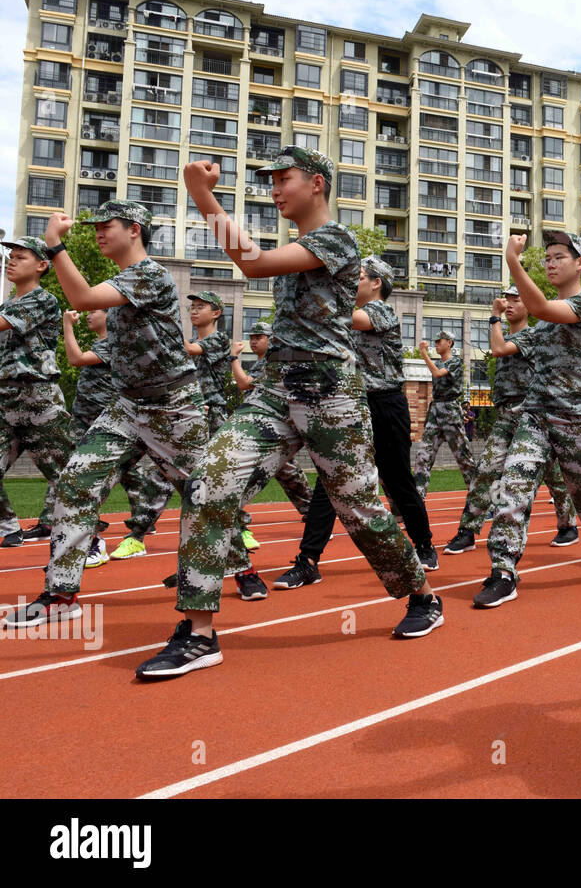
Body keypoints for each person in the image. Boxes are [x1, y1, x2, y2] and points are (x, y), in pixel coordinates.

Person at [132, 148, 442, 676]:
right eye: (269, 181)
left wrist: (201, 195)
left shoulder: (337, 239)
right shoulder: (299, 245)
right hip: (276, 388)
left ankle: (421, 595)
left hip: (330, 392)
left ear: (317, 183)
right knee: (207, 481)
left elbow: (251, 262)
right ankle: (199, 632)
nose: (274, 190)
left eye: (284, 179)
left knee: (361, 510)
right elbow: (261, 266)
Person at [3, 203, 216, 631]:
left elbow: (80, 297)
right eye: (95, 227)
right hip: (126, 405)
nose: (99, 234)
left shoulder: (151, 275)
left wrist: (54, 244)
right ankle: (61, 594)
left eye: (106, 227)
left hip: (173, 403)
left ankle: (238, 568)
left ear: (134, 230)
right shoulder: (119, 287)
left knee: (204, 495)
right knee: (75, 483)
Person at [474, 232, 581, 608]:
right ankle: (503, 570)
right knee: (513, 486)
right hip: (536, 417)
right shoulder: (539, 323)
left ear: (580, 263)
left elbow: (541, 307)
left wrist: (513, 262)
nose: (550, 263)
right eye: (546, 258)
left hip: (577, 419)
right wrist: (497, 315)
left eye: (559, 256)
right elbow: (502, 348)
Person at [274, 256, 439, 589]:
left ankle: (424, 545)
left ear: (376, 283)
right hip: (348, 404)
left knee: (397, 480)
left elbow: (344, 319)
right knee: (328, 482)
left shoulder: (380, 311)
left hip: (385, 404)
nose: (352, 282)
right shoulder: (347, 318)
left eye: (359, 277)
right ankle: (308, 561)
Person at [442, 285, 580, 556]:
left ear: (529, 307)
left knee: (554, 476)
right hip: (506, 415)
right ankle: (468, 530)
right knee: (485, 470)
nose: (509, 304)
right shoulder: (504, 335)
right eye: (507, 300)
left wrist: (494, 317)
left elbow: (498, 350)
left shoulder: (531, 336)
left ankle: (568, 526)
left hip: (531, 417)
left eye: (517, 300)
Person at [61, 307, 171, 563]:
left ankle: (96, 540)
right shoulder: (103, 342)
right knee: (94, 477)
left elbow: (75, 358)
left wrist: (67, 325)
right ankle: (132, 528)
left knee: (95, 479)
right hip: (88, 421)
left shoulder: (113, 342)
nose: (88, 315)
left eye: (95, 310)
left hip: (109, 424)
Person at [0, 237, 75, 549]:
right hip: (5, 399)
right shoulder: (6, 306)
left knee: (66, 475)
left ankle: (84, 537)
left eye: (20, 257)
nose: (11, 261)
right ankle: (7, 528)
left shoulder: (43, 300)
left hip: (38, 399)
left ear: (42, 265)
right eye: (9, 256)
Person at [183, 290, 264, 575]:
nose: (194, 311)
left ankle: (240, 528)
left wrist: (161, 328)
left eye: (200, 307)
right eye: (191, 307)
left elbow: (190, 351)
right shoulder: (192, 341)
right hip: (194, 411)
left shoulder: (218, 340)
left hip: (214, 411)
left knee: (223, 472)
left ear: (216, 313)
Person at [230, 320, 315, 517]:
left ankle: (311, 509)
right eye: (251, 337)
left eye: (259, 337)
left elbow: (243, 384)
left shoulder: (271, 362)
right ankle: (310, 509)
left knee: (281, 469)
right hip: (259, 422)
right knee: (285, 470)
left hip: (270, 423)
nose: (253, 341)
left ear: (272, 339)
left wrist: (233, 358)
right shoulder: (261, 362)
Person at [410, 331, 476, 493]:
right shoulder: (437, 363)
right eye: (436, 341)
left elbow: (438, 374)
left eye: (440, 341)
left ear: (450, 343)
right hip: (435, 410)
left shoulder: (455, 362)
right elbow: (436, 370)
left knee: (464, 457)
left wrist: (423, 353)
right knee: (422, 456)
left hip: (450, 410)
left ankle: (481, 500)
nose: (437, 344)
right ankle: (418, 499)